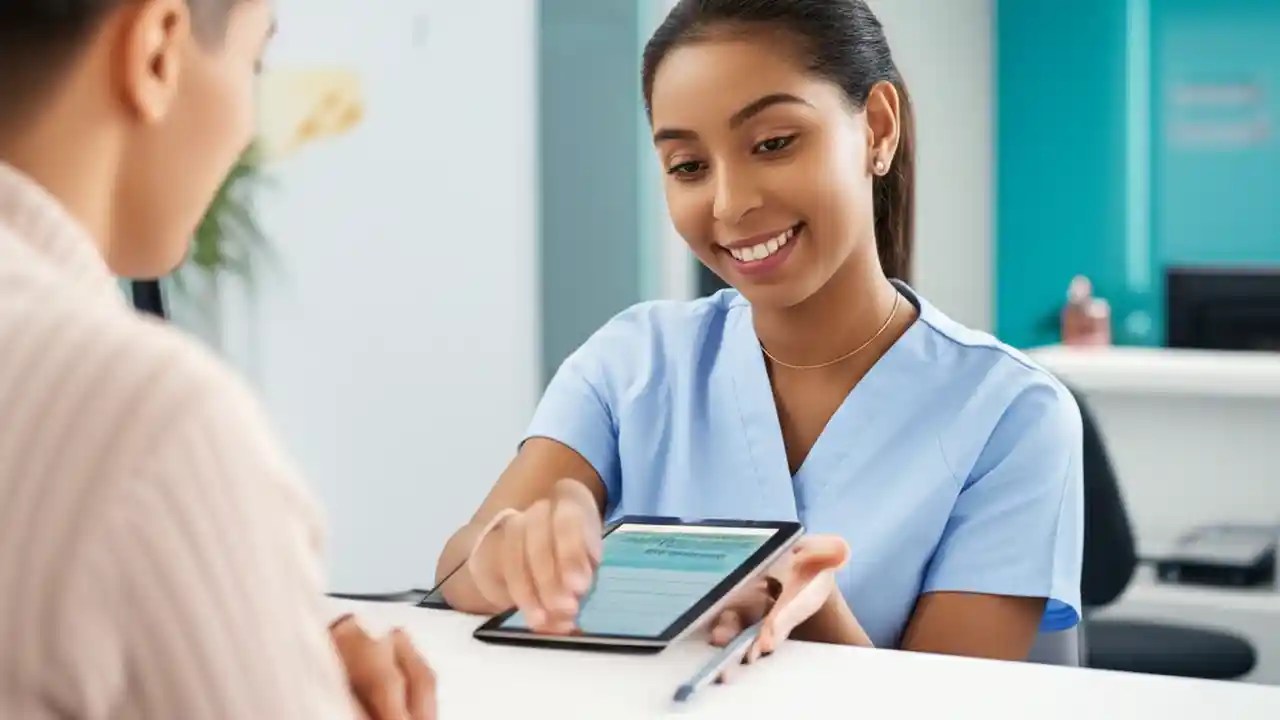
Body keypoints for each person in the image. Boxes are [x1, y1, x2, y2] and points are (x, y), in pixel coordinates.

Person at [436, 0, 1083, 661]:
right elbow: (457, 567)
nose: (730, 203)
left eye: (773, 144)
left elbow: (954, 702)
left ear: (877, 129)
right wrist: (508, 556)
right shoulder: (630, 361)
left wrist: (813, 615)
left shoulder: (1011, 413)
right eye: (689, 166)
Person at [0, 1, 434, 718]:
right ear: (157, 51)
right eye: (253, 63)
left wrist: (248, 640)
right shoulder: (153, 427)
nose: (248, 128)